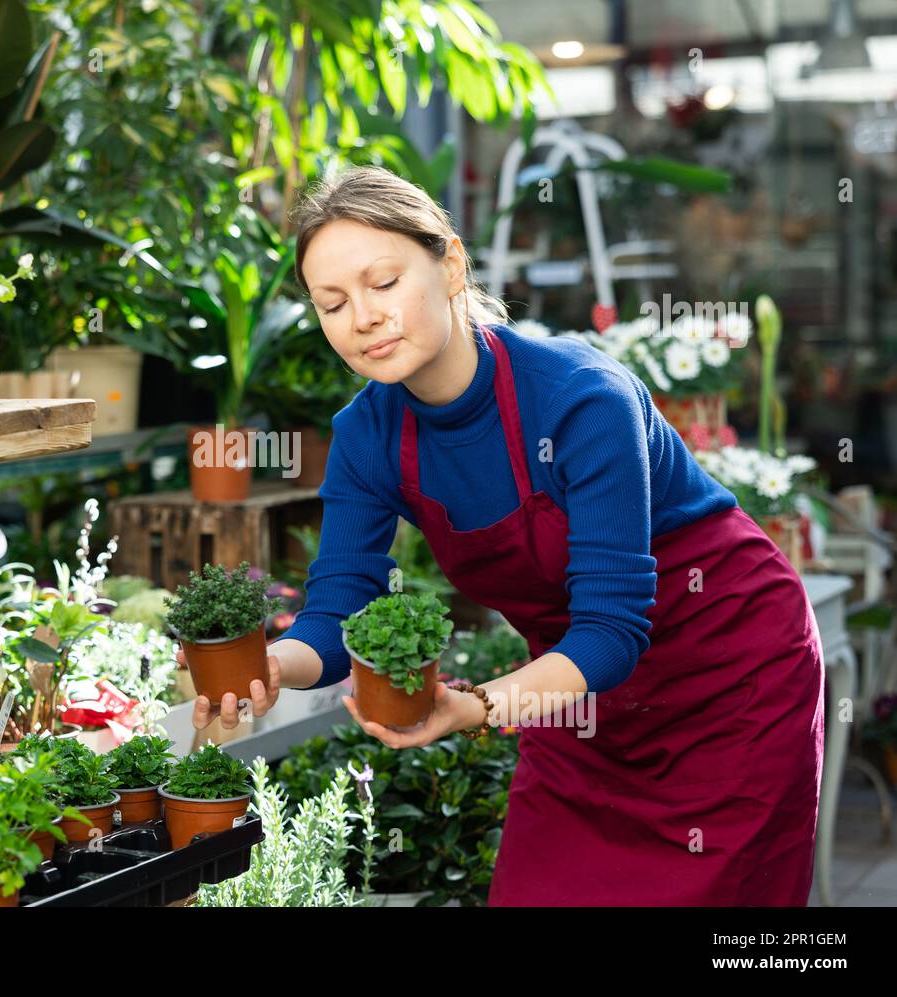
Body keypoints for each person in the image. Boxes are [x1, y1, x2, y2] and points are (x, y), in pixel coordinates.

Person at [183, 165, 825, 906]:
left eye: (383, 282)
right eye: (333, 302)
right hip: (569, 690)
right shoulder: (367, 435)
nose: (361, 316)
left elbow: (613, 629)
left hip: (728, 672)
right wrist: (269, 667)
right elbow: (336, 612)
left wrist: (479, 706)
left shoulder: (582, 398)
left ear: (451, 262)